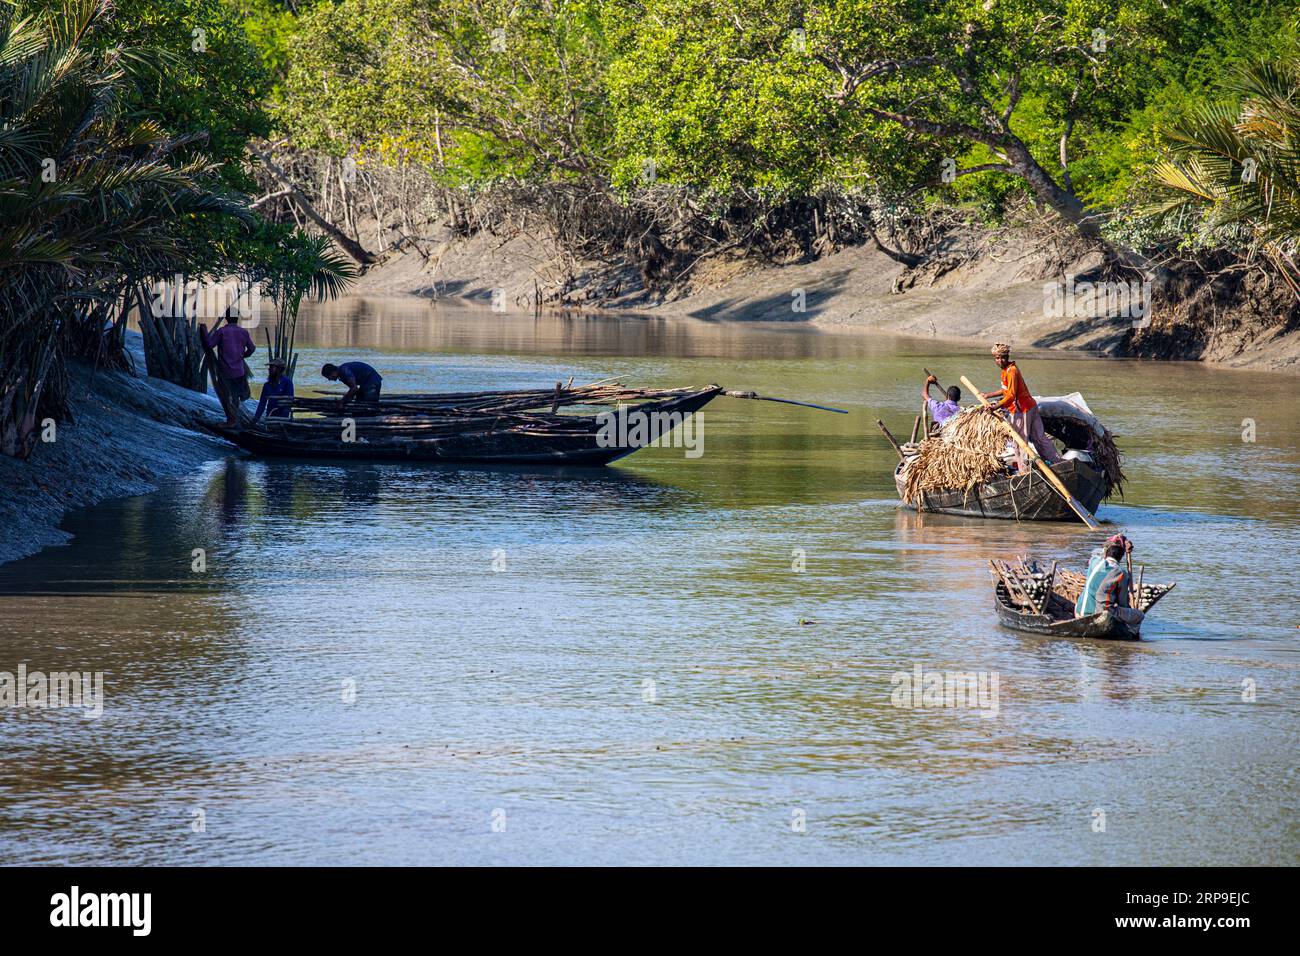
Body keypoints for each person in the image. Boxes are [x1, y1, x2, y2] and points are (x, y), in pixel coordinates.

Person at [978, 342, 1062, 471]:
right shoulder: (1006, 371)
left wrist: (995, 407)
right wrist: (988, 395)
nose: (1000, 360)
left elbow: (1011, 395)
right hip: (1030, 406)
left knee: (1020, 443)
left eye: (1002, 357)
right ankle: (1056, 462)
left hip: (1023, 410)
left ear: (1007, 357)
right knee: (1039, 438)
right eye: (997, 358)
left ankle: (1024, 471)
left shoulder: (1012, 371)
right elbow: (1005, 390)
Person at [200, 310, 255, 426]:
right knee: (235, 397)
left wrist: (204, 332)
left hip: (225, 371)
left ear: (226, 318)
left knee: (225, 395)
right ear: (238, 318)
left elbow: (209, 345)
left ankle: (231, 421)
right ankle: (234, 419)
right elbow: (252, 348)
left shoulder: (222, 332)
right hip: (239, 371)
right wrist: (243, 355)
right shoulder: (243, 332)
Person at [1076, 536, 1142, 629]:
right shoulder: (1121, 573)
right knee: (1139, 615)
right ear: (1121, 557)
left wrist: (1120, 539)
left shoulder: (1094, 561)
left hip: (1079, 611)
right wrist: (1129, 612)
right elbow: (1122, 602)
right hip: (1100, 615)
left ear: (1106, 553)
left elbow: (1097, 551)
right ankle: (1130, 632)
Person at [254, 356, 294, 421]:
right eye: (270, 367)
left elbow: (288, 403)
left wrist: (282, 420)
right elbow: (262, 404)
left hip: (282, 417)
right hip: (270, 416)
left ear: (279, 369)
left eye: (272, 367)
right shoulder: (267, 385)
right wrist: (255, 419)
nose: (269, 369)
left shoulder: (287, 383)